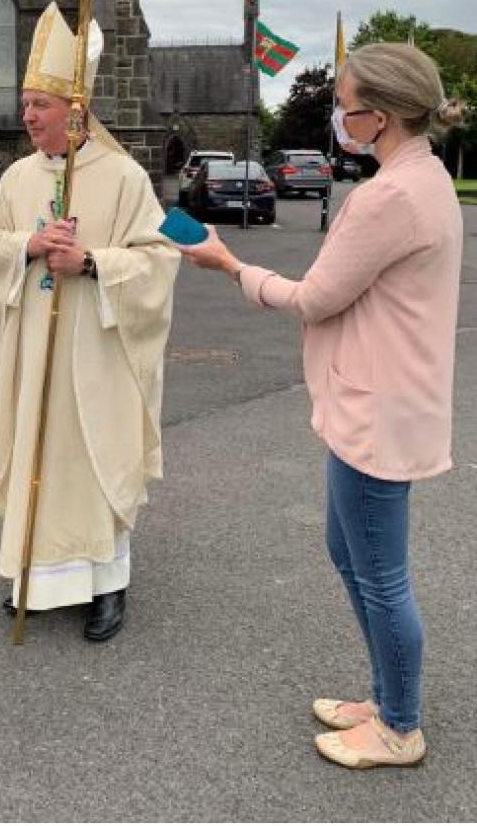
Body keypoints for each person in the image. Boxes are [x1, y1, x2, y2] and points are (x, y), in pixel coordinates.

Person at [179, 43, 464, 768]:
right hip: (383, 399)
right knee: (349, 552)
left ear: (379, 115)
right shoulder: (422, 177)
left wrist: (230, 264)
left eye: (345, 104)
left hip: (376, 409)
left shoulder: (389, 196)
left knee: (379, 572)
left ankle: (398, 726)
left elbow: (314, 298)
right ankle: (383, 698)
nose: (337, 116)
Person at [0, 2, 179, 641]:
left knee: (91, 458)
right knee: (39, 449)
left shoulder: (123, 178)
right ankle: (36, 578)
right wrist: (27, 248)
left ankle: (108, 585)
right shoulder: (19, 178)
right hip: (37, 353)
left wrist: (91, 262)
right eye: (25, 103)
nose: (27, 115)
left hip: (98, 353)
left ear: (75, 110)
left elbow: (160, 258)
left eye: (39, 104)